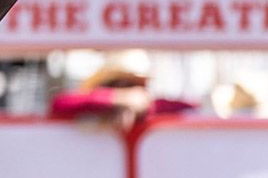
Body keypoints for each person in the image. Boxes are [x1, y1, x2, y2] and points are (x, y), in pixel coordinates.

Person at [50, 51, 197, 131]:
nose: (129, 89)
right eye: (120, 84)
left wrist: (141, 108)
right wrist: (118, 99)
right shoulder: (88, 110)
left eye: (134, 85)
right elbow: (59, 103)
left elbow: (192, 107)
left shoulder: (151, 107)